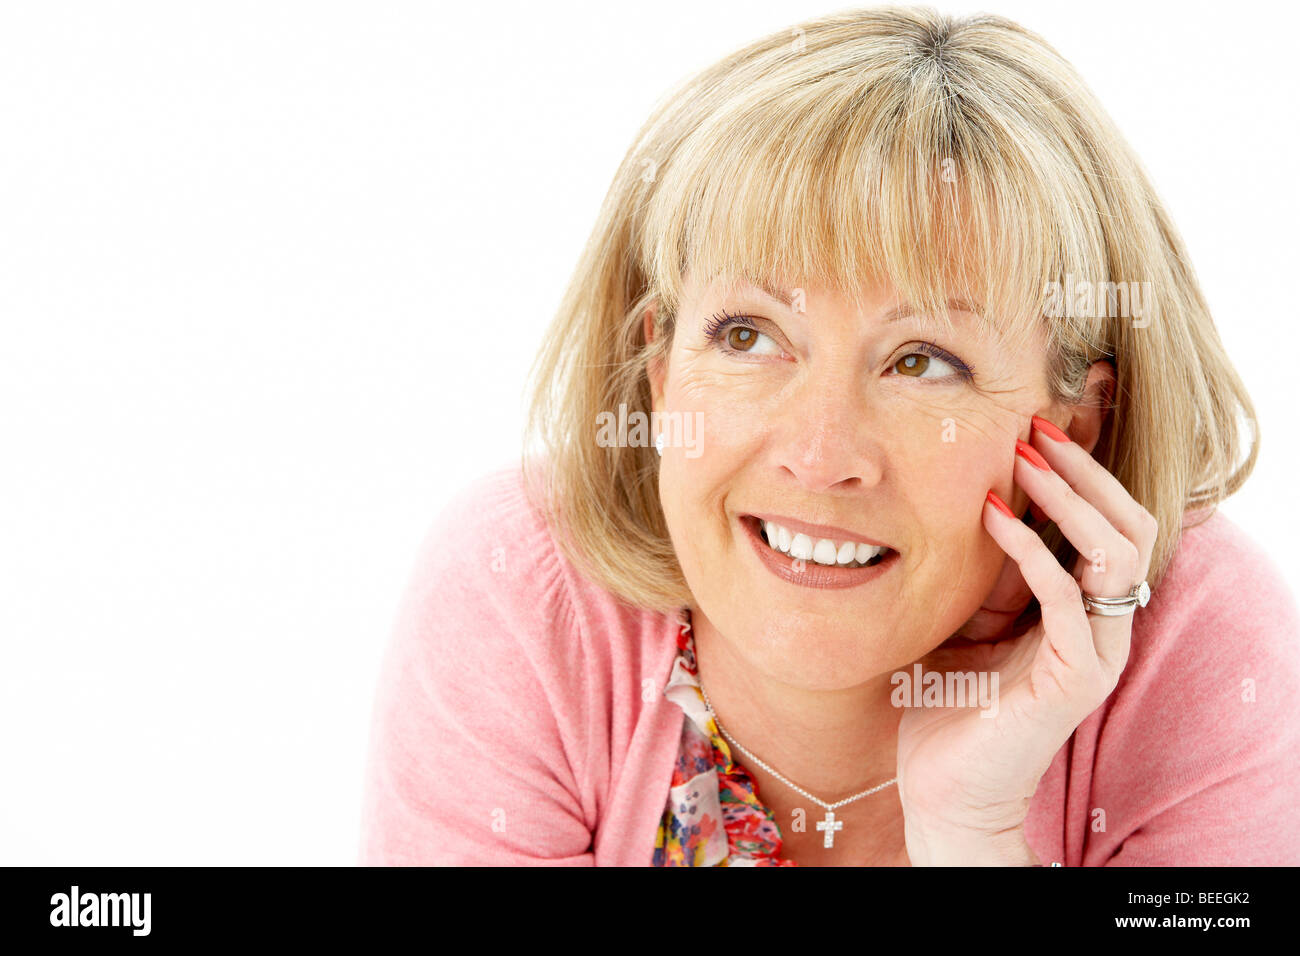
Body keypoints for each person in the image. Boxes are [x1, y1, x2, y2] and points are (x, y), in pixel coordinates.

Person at [359, 6, 1300, 866]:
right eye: (748, 335)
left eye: (924, 360)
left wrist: (971, 835)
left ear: (1072, 430)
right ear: (658, 370)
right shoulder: (525, 595)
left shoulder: (1200, 651)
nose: (818, 455)